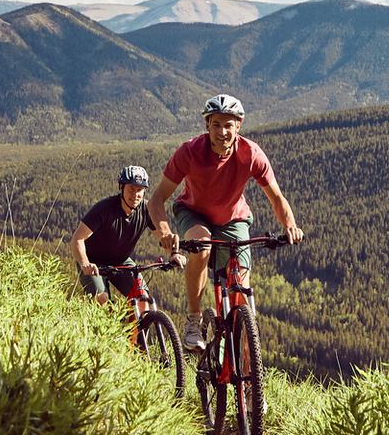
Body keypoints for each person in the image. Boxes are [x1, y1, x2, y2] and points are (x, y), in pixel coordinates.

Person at [150, 93, 304, 350]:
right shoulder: (189, 153)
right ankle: (194, 320)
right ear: (207, 125)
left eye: (228, 125)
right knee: (202, 245)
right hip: (193, 212)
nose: (222, 131)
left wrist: (290, 225)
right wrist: (164, 232)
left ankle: (245, 354)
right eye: (216, 124)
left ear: (238, 126)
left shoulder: (251, 154)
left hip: (233, 217)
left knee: (240, 286)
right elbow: (156, 200)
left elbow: (276, 197)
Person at [71, 164, 156, 298]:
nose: (135, 195)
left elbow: (163, 236)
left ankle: (141, 319)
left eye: (140, 190)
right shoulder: (104, 209)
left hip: (121, 261)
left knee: (142, 296)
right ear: (121, 188)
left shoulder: (147, 209)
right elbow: (77, 239)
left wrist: (174, 253)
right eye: (131, 189)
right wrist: (85, 263)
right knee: (101, 299)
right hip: (94, 262)